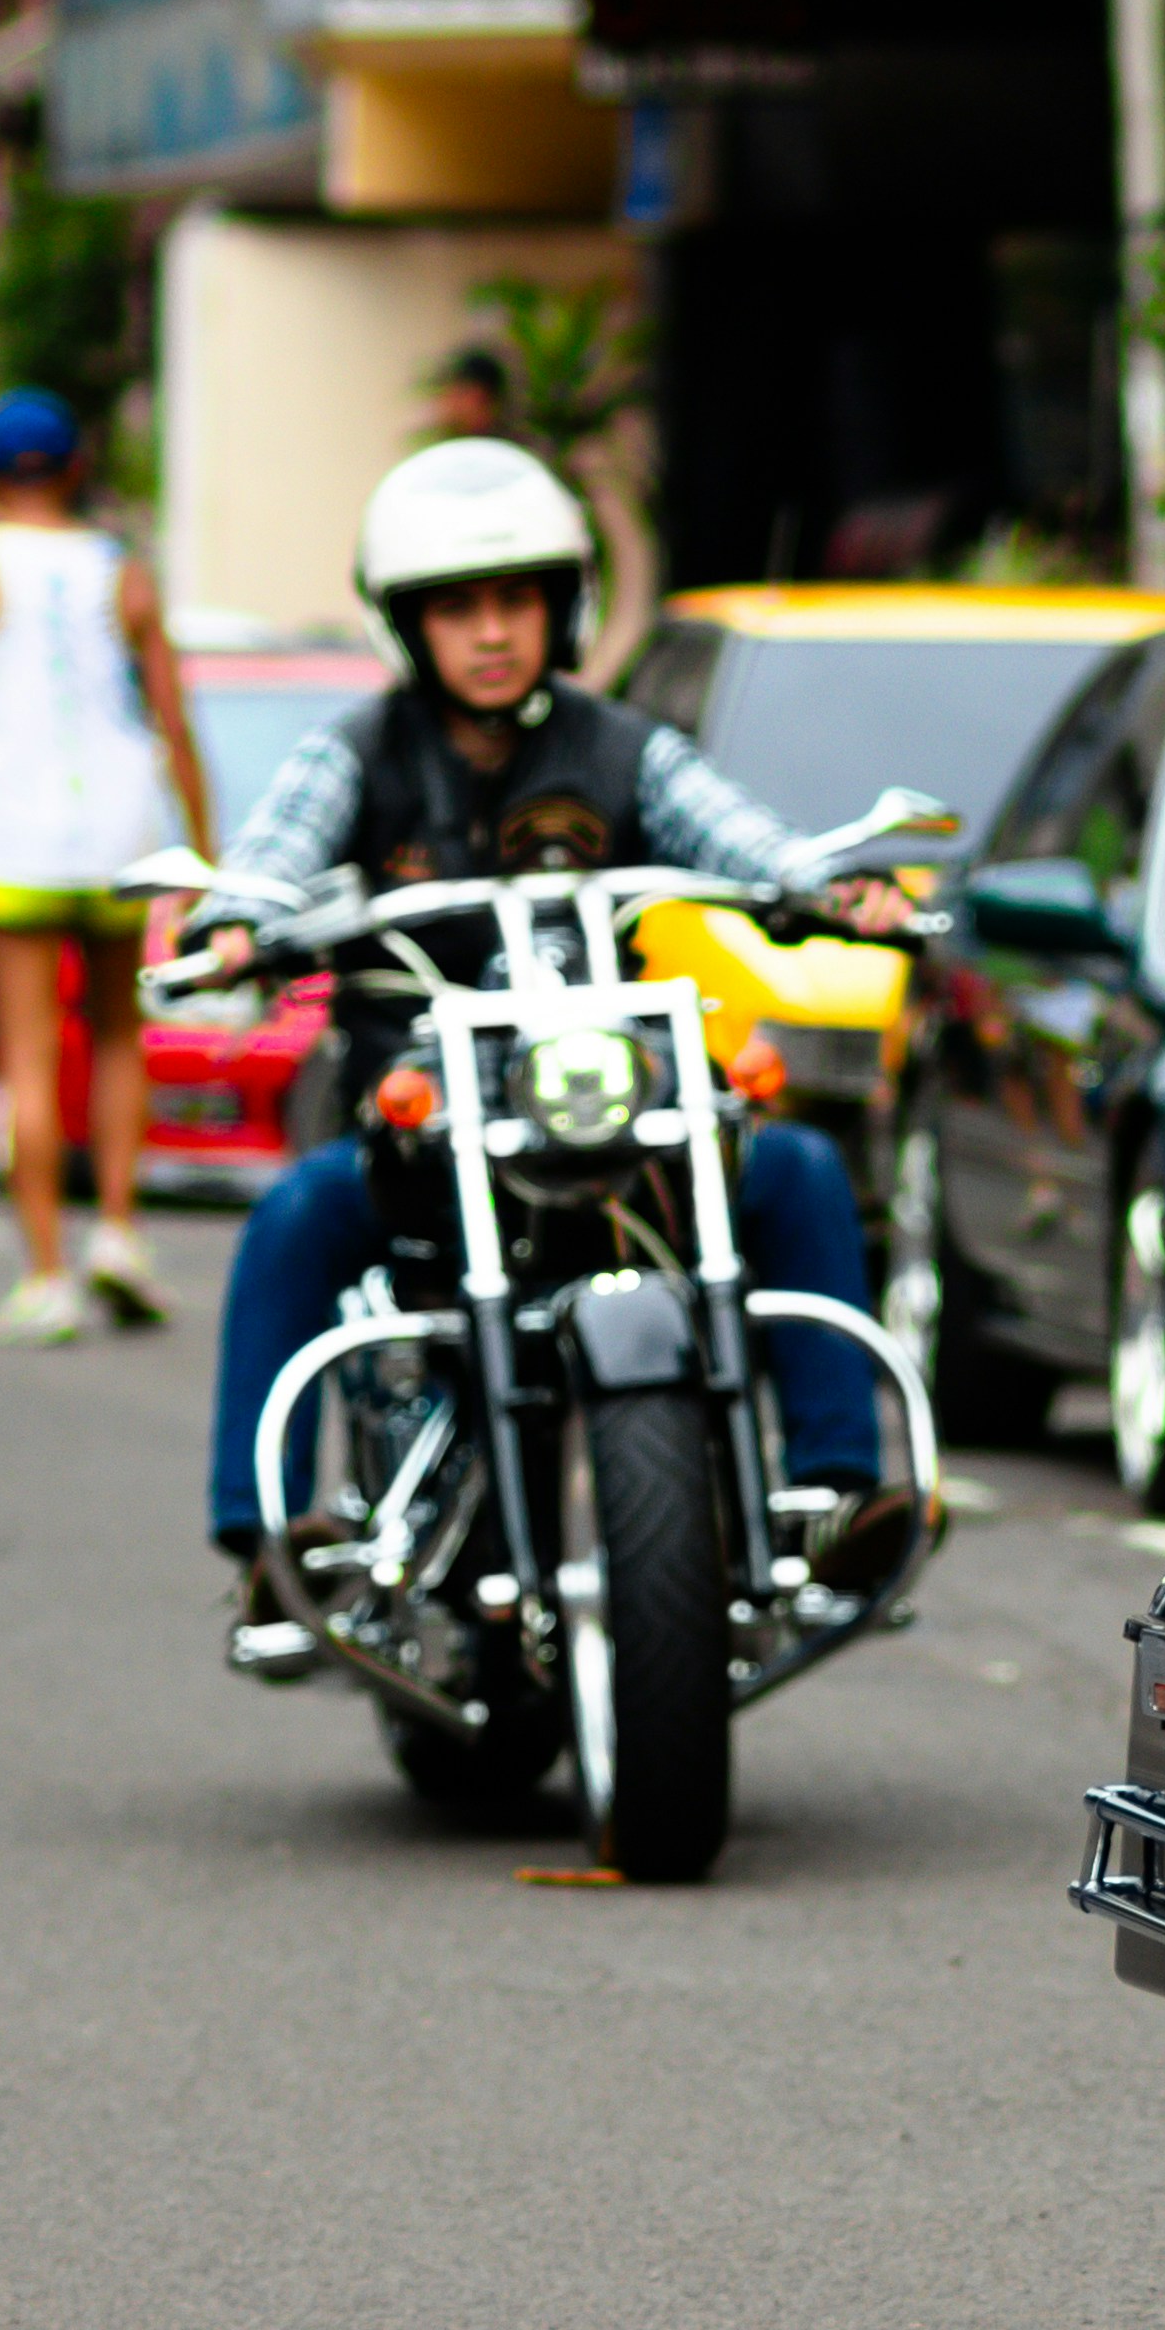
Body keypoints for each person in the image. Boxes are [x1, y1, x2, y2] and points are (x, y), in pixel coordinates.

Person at [192, 438, 921, 1601]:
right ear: (407, 622)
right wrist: (234, 922)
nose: (491, 631)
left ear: (562, 606)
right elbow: (274, 858)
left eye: (517, 600)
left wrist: (825, 887)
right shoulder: (357, 754)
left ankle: (832, 1496)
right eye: (460, 606)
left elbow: (736, 836)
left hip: (616, 1119)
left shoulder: (621, 747)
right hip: (425, 1135)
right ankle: (274, 1537)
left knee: (795, 1172)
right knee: (294, 1216)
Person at [0, 388, 205, 1340]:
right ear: (74, 470)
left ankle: (47, 1272)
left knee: (25, 1053)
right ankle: (117, 1228)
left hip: (15, 840)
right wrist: (207, 850)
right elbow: (173, 722)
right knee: (116, 1035)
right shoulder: (125, 576)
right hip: (121, 835)